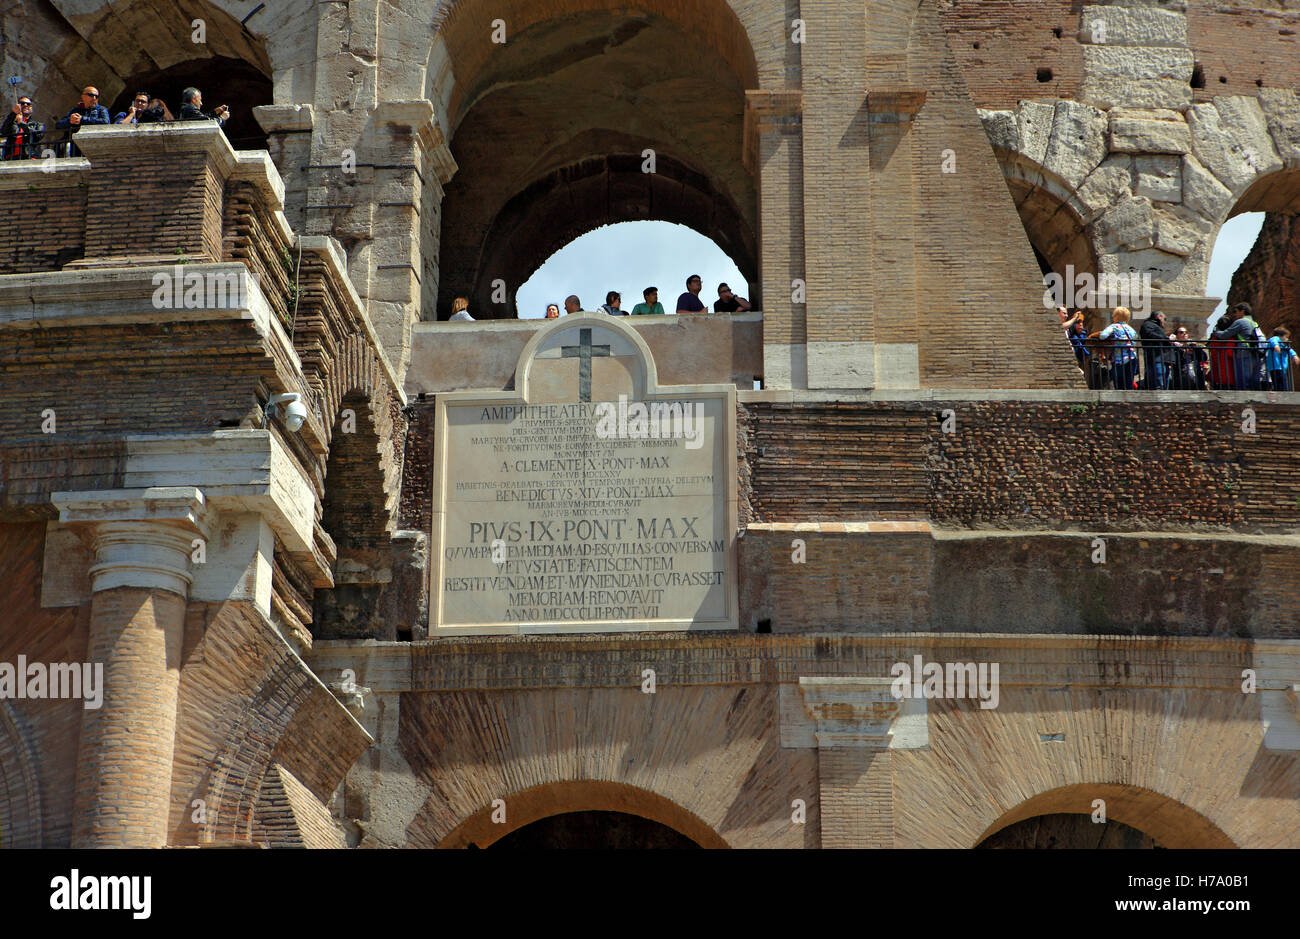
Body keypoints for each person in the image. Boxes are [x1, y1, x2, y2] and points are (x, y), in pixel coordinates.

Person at [1210, 302, 1266, 391]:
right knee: (1255, 381)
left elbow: (1225, 334)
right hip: (1256, 354)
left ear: (1242, 311)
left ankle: (1245, 402)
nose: (1235, 314)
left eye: (1236, 311)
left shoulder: (1241, 322)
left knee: (1243, 381)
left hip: (1244, 354)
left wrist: (1215, 332)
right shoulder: (1254, 323)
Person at [1092, 307, 1138, 391]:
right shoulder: (1130, 328)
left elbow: (1103, 336)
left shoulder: (1114, 326)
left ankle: (1121, 401)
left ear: (1116, 316)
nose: (1112, 317)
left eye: (1113, 315)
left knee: (1118, 383)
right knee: (1128, 383)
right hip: (1132, 357)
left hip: (1118, 359)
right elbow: (1135, 338)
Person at [1138, 311, 1173, 390]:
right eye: (1165, 319)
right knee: (1158, 385)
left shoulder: (1155, 326)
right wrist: (1166, 339)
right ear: (1159, 316)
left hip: (1162, 359)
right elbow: (1149, 334)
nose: (1165, 322)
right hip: (1156, 358)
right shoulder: (1148, 325)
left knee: (1163, 386)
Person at [1266, 326, 1298, 392]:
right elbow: (1273, 340)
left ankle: (1282, 394)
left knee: (1283, 384)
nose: (1287, 339)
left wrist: (1294, 355)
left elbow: (1289, 350)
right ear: (1280, 336)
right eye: (1286, 337)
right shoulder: (1275, 339)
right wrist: (1276, 345)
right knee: (1279, 384)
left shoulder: (1283, 345)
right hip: (1275, 367)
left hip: (1281, 368)